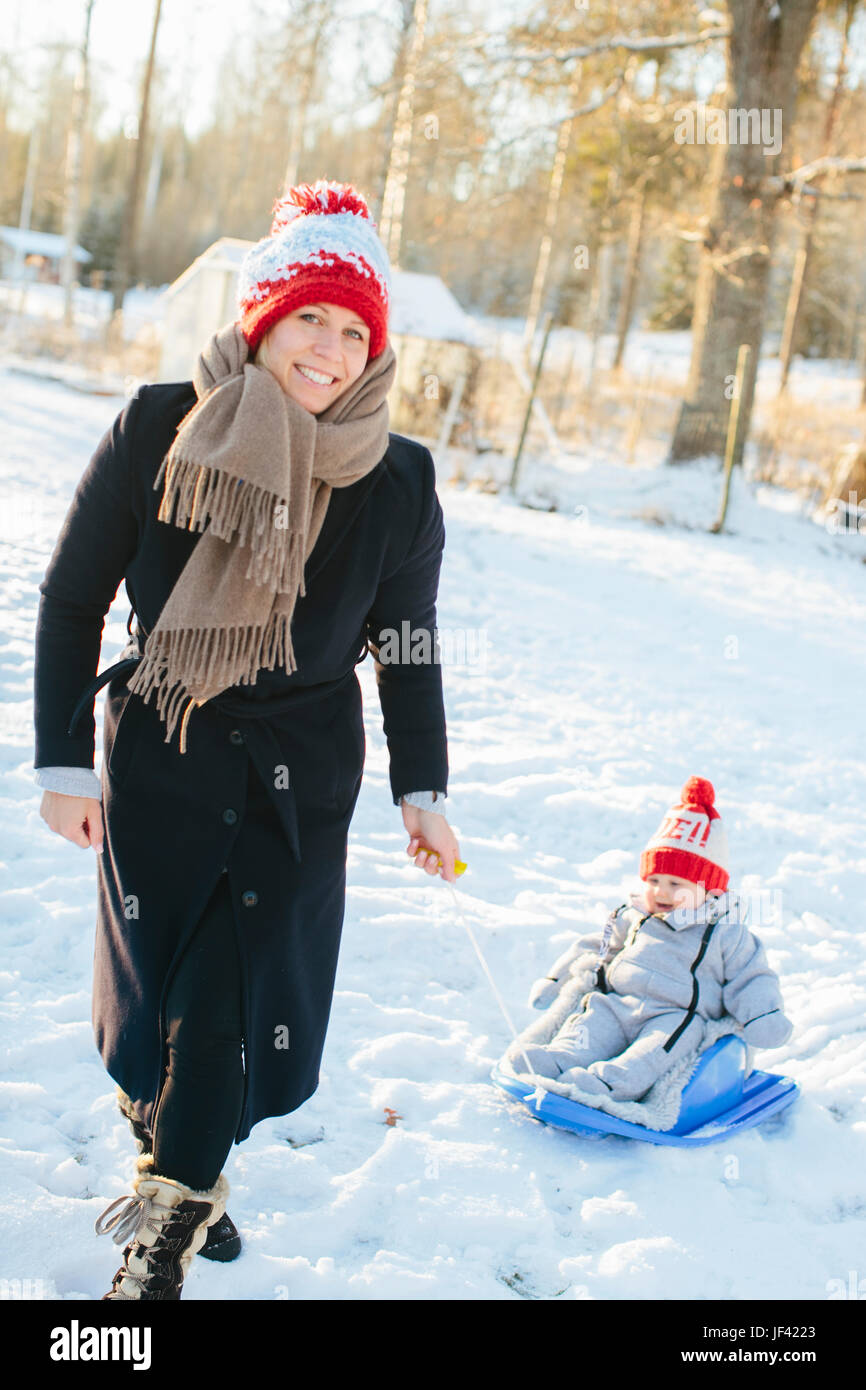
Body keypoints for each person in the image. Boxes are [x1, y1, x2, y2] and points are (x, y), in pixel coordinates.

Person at [33, 179, 461, 1300]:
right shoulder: (156, 426)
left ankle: (162, 1239)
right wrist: (63, 757)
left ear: (374, 348)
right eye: (308, 318)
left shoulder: (397, 477)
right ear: (262, 315)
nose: (327, 349)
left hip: (297, 775)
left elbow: (406, 639)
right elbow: (73, 600)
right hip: (165, 749)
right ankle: (180, 1149)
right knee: (154, 1011)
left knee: (229, 997)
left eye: (352, 328)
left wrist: (424, 786)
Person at [507, 777, 792, 1100]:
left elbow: (751, 977)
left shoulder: (725, 933)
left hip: (673, 1015)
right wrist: (556, 979)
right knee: (588, 1024)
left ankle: (612, 1083)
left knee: (657, 1048)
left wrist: (763, 1015)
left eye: (676, 883)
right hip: (617, 1004)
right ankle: (560, 1061)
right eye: (654, 879)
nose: (661, 892)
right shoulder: (632, 916)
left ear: (709, 890)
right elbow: (594, 950)